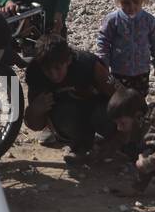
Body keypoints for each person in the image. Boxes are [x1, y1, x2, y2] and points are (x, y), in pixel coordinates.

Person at [23, 35, 116, 164]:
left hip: (99, 110)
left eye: (58, 68)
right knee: (63, 112)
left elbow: (119, 95)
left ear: (68, 60)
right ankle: (81, 146)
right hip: (68, 119)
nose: (54, 75)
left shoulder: (87, 64)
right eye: (47, 70)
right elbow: (34, 124)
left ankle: (111, 142)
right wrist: (35, 110)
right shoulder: (36, 74)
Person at [95, 0, 155, 94]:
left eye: (136, 2)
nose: (131, 7)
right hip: (119, 70)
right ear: (118, 1)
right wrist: (103, 64)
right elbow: (103, 42)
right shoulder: (113, 20)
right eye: (126, 3)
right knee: (119, 97)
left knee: (140, 98)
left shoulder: (148, 20)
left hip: (142, 70)